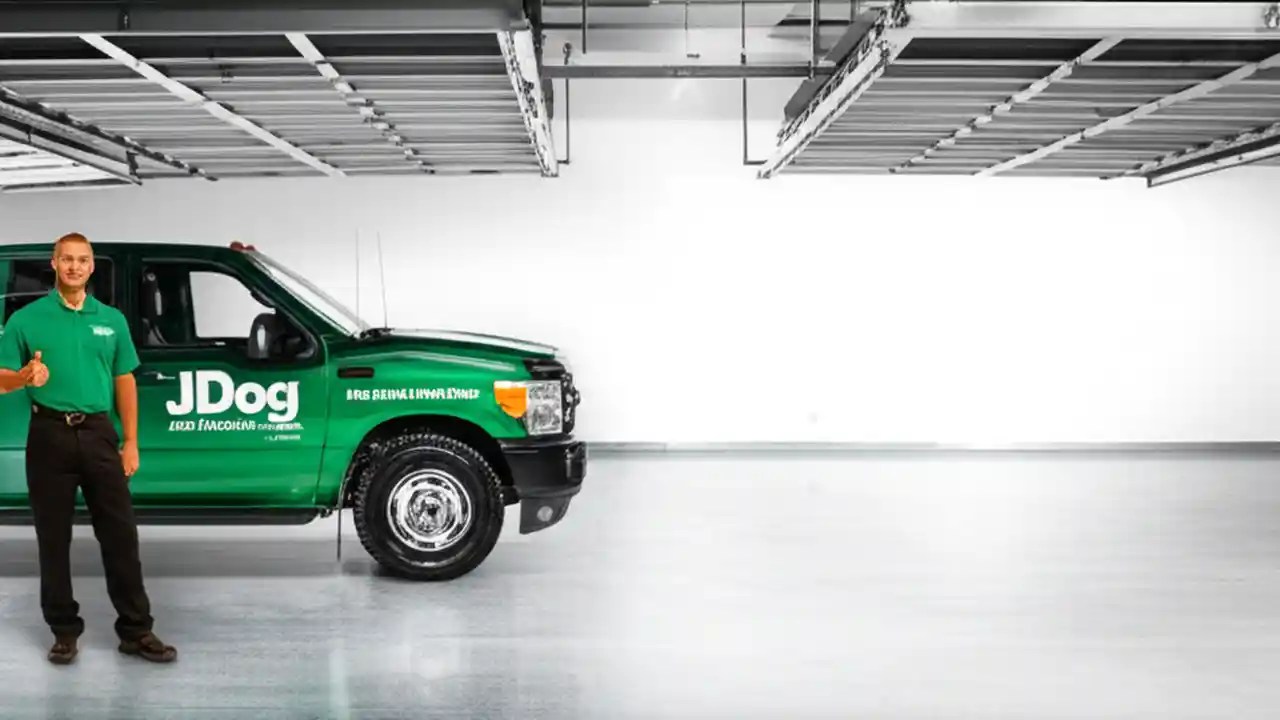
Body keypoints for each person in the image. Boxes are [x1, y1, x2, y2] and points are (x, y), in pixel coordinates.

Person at [0, 232, 176, 665]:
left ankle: (136, 631)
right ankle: (63, 631)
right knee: (53, 539)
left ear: (92, 267)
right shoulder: (26, 319)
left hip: (99, 434)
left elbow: (125, 381)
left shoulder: (112, 320)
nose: (74, 267)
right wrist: (25, 378)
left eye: (82, 260)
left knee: (120, 535)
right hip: (48, 436)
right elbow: (1, 378)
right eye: (67, 260)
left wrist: (131, 441)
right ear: (54, 264)